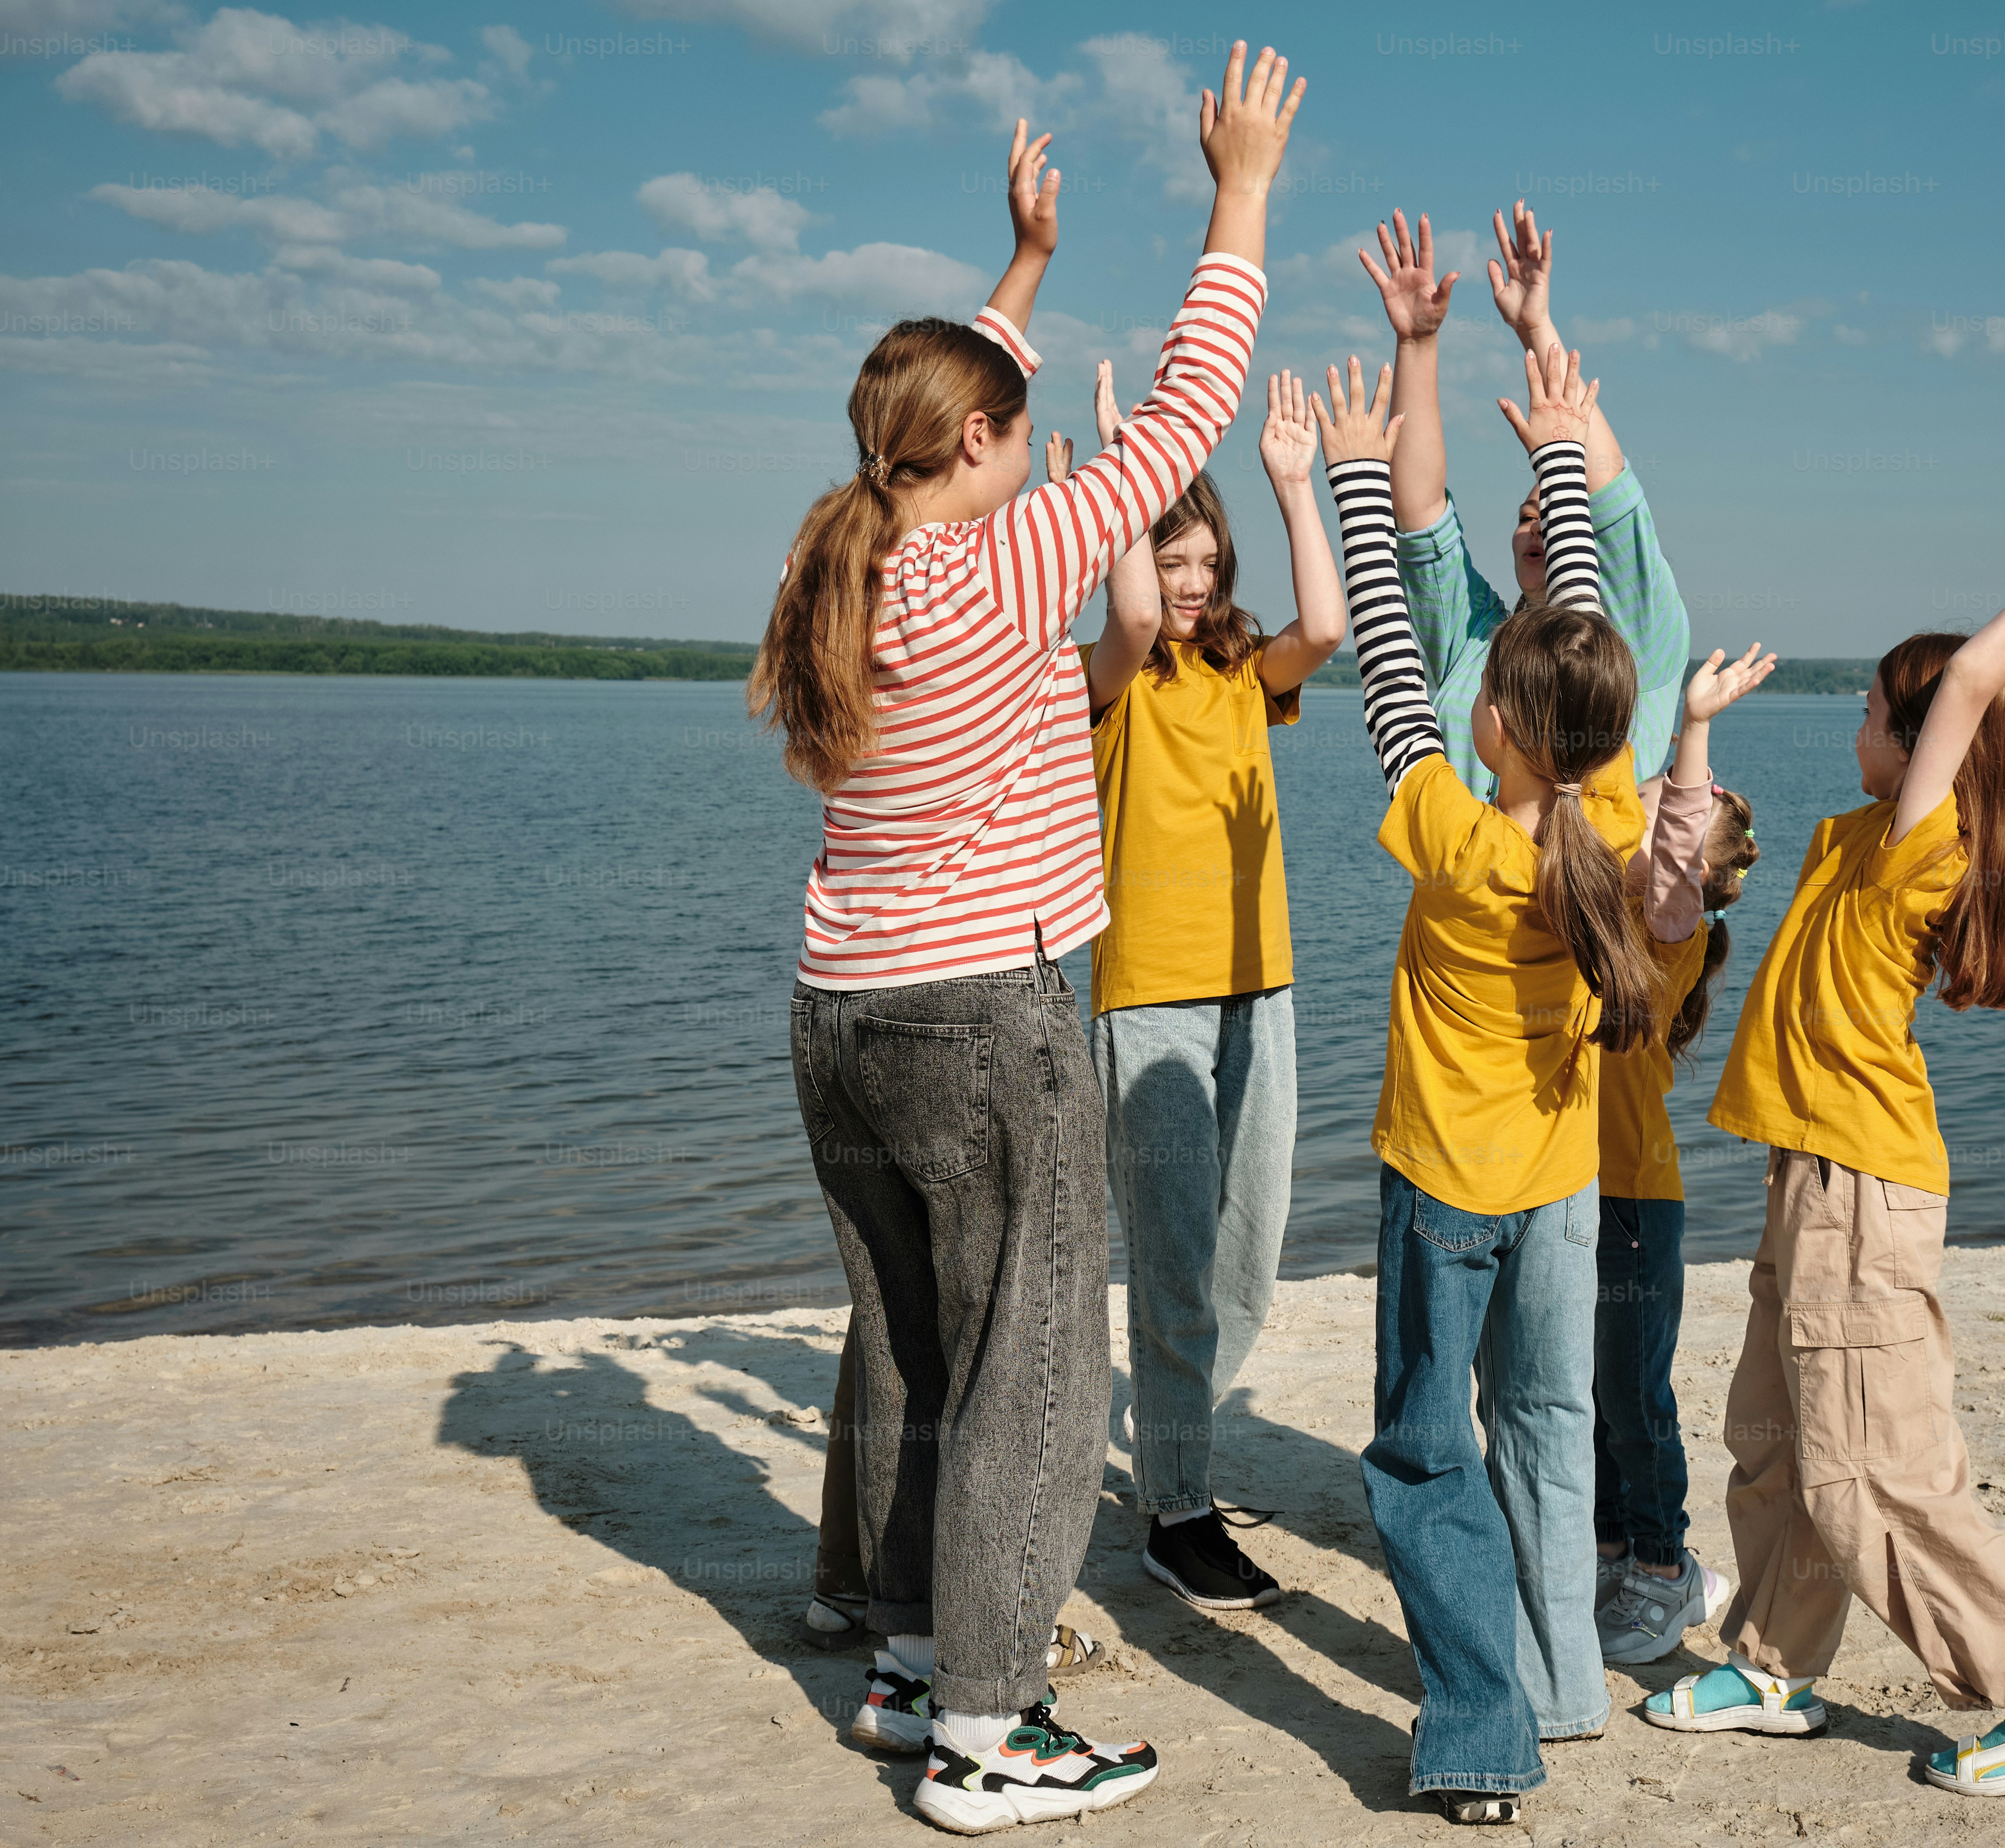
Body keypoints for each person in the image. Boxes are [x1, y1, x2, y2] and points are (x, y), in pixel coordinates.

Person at [752, 46, 1300, 1834]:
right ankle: (989, 1724)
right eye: (1001, 421)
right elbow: (1188, 411)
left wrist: (1028, 272)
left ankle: (916, 1648)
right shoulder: (1005, 560)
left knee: (914, 1342)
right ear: (984, 446)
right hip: (984, 1015)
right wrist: (1239, 194)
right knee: (1040, 1359)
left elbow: (941, 414)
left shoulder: (842, 565)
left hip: (840, 1018)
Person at [1644, 457, 2005, 1804]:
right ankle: (1776, 1666)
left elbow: (1977, 691)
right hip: (1814, 1176)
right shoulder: (1864, 833)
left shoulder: (1925, 843)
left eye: (1869, 713)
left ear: (1917, 748)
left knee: (1876, 1476)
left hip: (1864, 1187)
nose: (1855, 725)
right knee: (1780, 1440)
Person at [1320, 343, 1770, 1826]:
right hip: (1566, 1195)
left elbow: (1390, 646)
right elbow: (1582, 627)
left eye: (1485, 712)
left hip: (1446, 1190)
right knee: (1548, 1425)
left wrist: (1342, 480)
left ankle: (1484, 1720)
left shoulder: (1458, 835)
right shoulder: (1629, 825)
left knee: (1422, 1447)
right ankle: (1570, 1684)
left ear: (1496, 729)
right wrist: (1566, 456)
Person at [1076, 365, 1347, 1611]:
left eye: (1202, 564)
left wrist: (1297, 486)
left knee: (1248, 1255)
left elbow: (1329, 630)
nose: (1186, 586)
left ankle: (1169, 1452)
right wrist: (1129, 472)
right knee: (1177, 1257)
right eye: (1168, 560)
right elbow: (1127, 614)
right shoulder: (1120, 685)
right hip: (1154, 999)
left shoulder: (1247, 675)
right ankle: (1175, 1509)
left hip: (1263, 992)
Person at [1362, 203, 1690, 815]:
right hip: (1464, 905)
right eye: (1522, 515)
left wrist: (1537, 330)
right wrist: (1416, 342)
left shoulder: (1642, 632)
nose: (1536, 524)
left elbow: (1608, 493)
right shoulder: (1477, 637)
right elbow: (1419, 517)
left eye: (1553, 510)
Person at [1590, 761, 1765, 1663]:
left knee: (1633, 1397)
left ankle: (1668, 1569)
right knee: (1591, 1392)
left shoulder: (1670, 927)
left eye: (1662, 808)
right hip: (1578, 1186)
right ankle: (1610, 1551)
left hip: (1632, 1194)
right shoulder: (1610, 905)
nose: (1636, 809)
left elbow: (1663, 878)